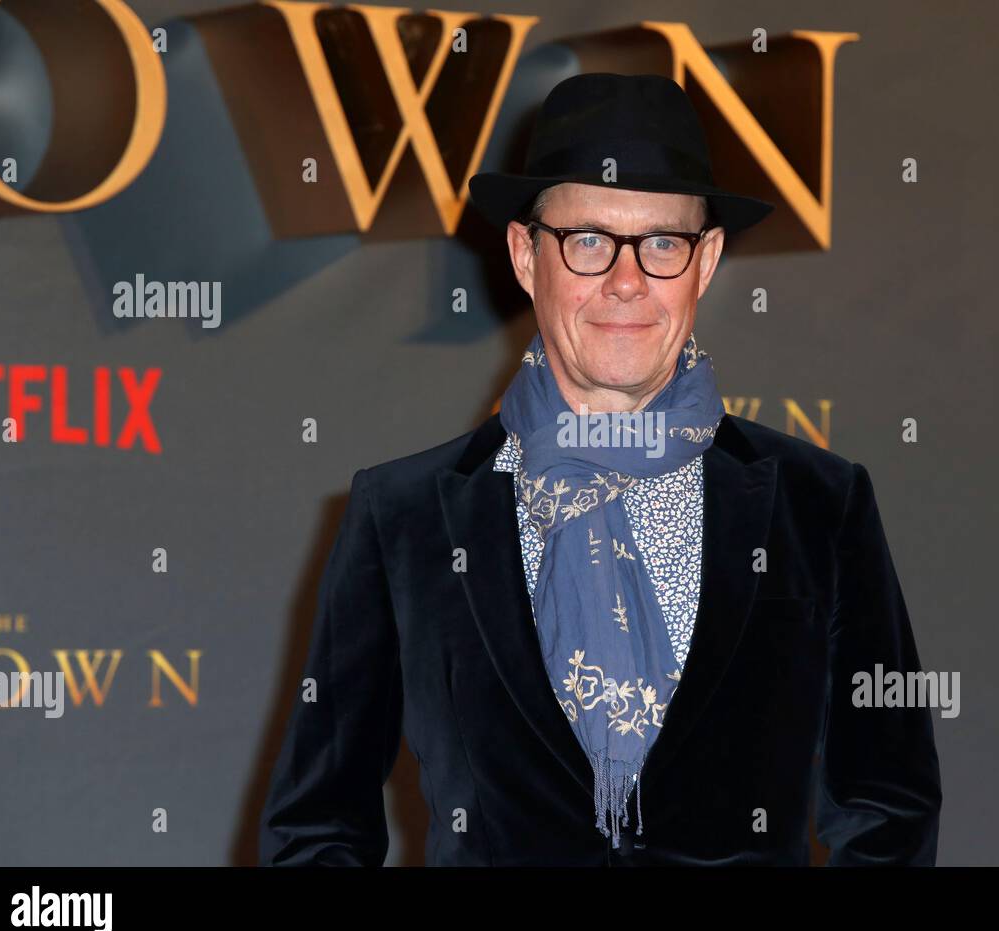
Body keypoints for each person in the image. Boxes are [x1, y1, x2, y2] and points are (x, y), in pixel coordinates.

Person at [259, 72, 941, 866]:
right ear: (525, 254)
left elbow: (888, 807)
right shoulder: (404, 516)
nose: (626, 281)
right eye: (587, 241)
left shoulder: (819, 505)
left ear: (706, 258)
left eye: (662, 243)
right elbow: (316, 826)